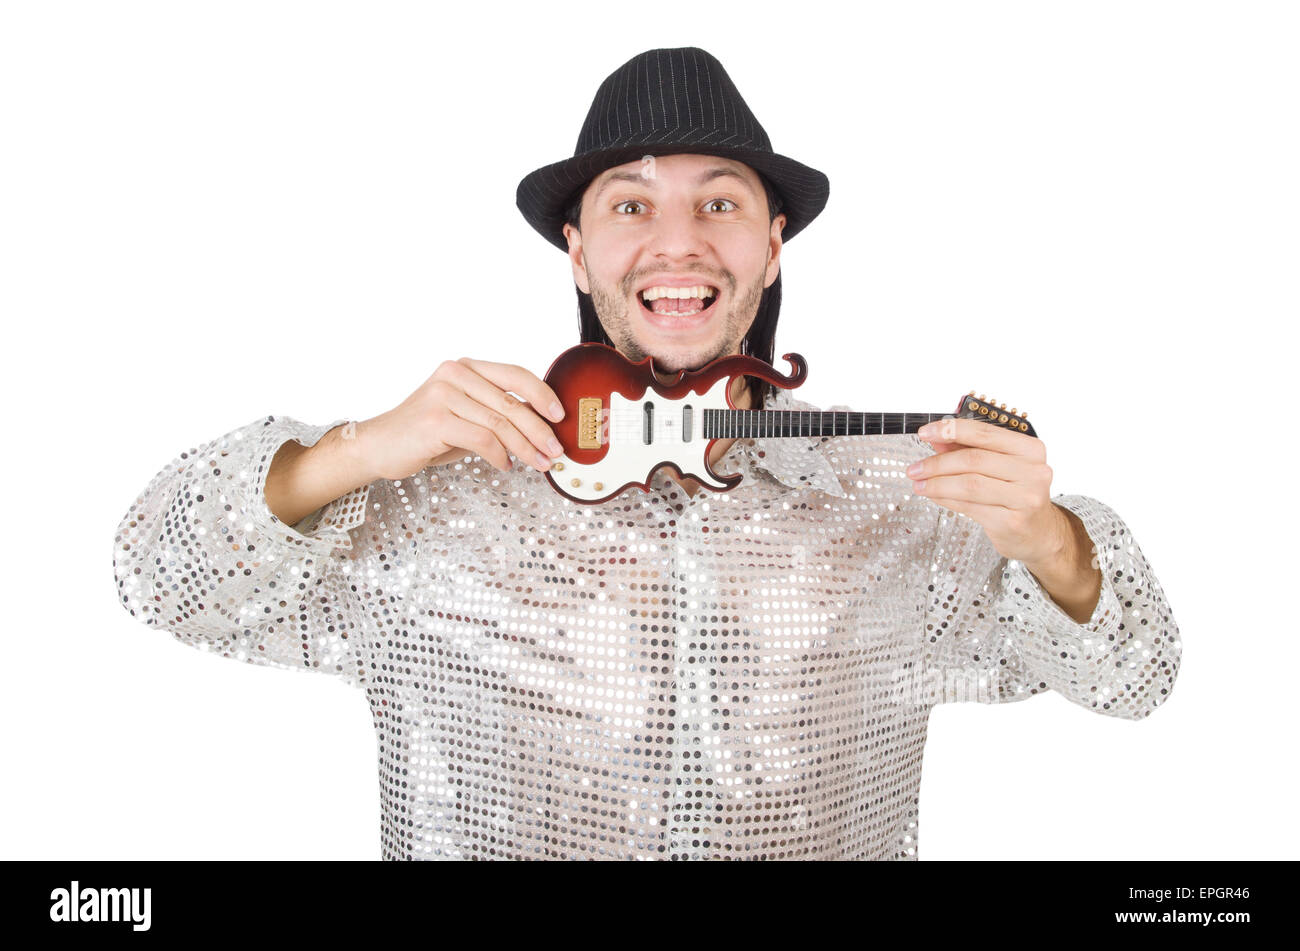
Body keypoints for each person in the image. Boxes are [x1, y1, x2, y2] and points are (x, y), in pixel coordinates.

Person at [113, 47, 1181, 860]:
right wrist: (358, 448)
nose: (678, 242)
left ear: (772, 247)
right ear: (578, 253)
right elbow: (156, 573)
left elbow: (1137, 677)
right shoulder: (434, 500)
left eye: (720, 203)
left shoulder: (897, 498)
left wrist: (1052, 542)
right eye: (631, 205)